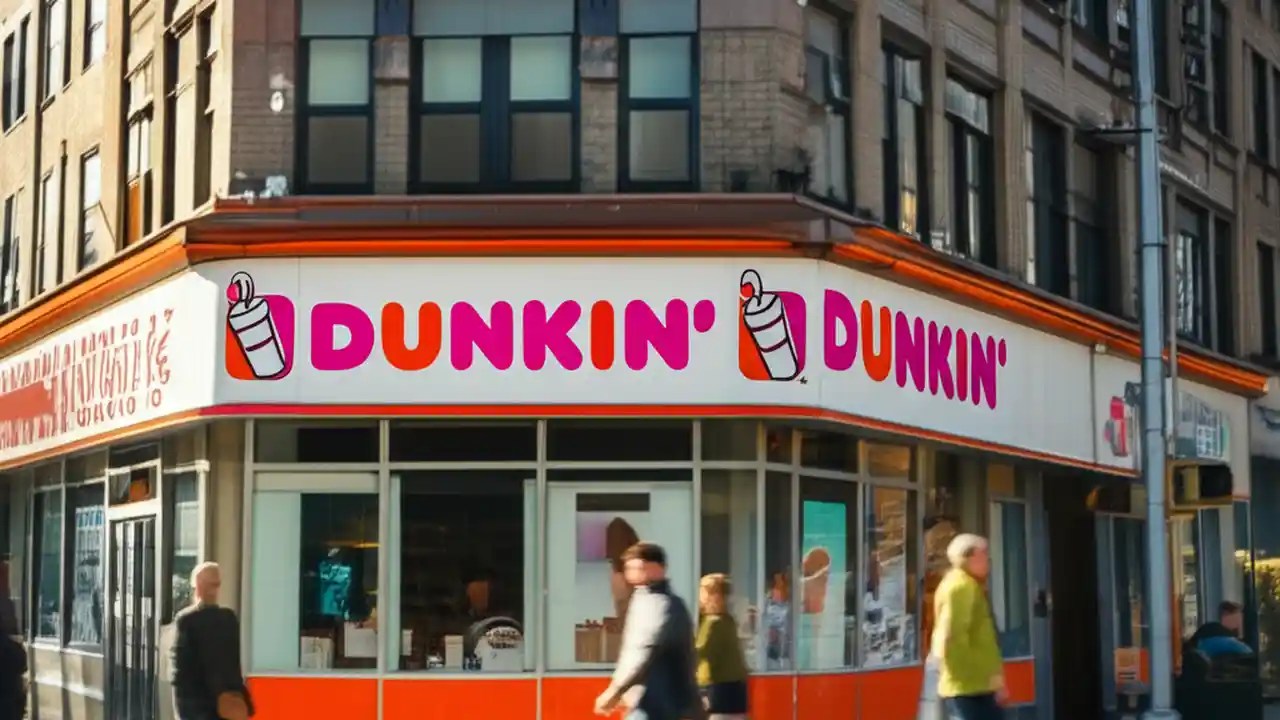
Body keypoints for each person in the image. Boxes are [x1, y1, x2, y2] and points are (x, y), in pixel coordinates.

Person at [594, 542, 705, 720]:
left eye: (637, 566)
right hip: (647, 701)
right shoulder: (642, 599)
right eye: (628, 567)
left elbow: (648, 653)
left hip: (663, 704)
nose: (630, 572)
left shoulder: (664, 604)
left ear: (657, 567)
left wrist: (616, 690)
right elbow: (634, 652)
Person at [933, 534, 1004, 720]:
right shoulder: (962, 587)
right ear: (970, 557)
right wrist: (985, 677)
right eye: (984, 554)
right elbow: (952, 637)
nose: (988, 560)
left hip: (976, 686)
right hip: (968, 688)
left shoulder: (965, 584)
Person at [171, 562, 254, 720]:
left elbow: (180, 670)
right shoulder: (229, 619)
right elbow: (234, 664)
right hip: (226, 703)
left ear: (197, 586)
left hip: (196, 705)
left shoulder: (186, 620)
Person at [695, 574, 749, 720]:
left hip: (718, 693)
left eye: (702, 591)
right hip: (736, 694)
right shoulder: (728, 621)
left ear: (711, 595)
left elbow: (701, 654)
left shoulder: (713, 623)